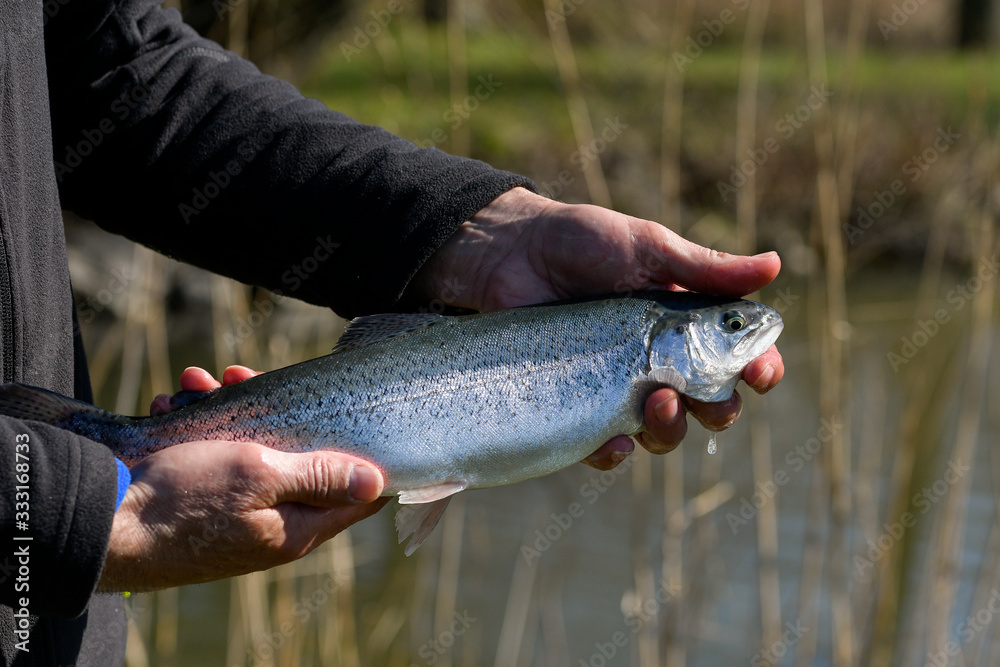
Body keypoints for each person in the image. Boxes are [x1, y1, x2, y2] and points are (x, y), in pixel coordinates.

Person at [0, 1, 783, 665]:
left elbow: (120, 72)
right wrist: (79, 514)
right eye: (732, 325)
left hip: (61, 628)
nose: (753, 331)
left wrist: (478, 233)